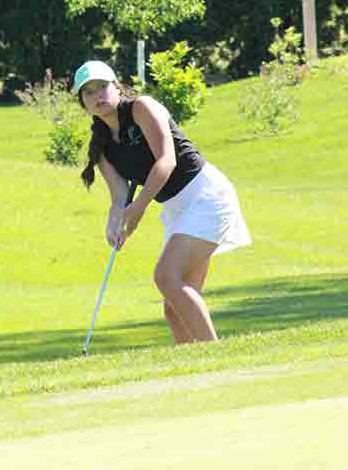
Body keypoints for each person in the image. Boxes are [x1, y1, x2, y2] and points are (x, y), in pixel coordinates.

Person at [73, 59, 251, 344]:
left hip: (206, 196)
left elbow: (166, 161)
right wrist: (114, 223)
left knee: (166, 277)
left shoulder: (142, 107)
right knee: (173, 309)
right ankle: (189, 371)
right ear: (82, 102)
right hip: (178, 208)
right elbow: (119, 196)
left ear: (117, 87)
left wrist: (138, 209)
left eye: (103, 87)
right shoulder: (102, 146)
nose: (98, 96)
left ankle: (217, 355)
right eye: (89, 92)